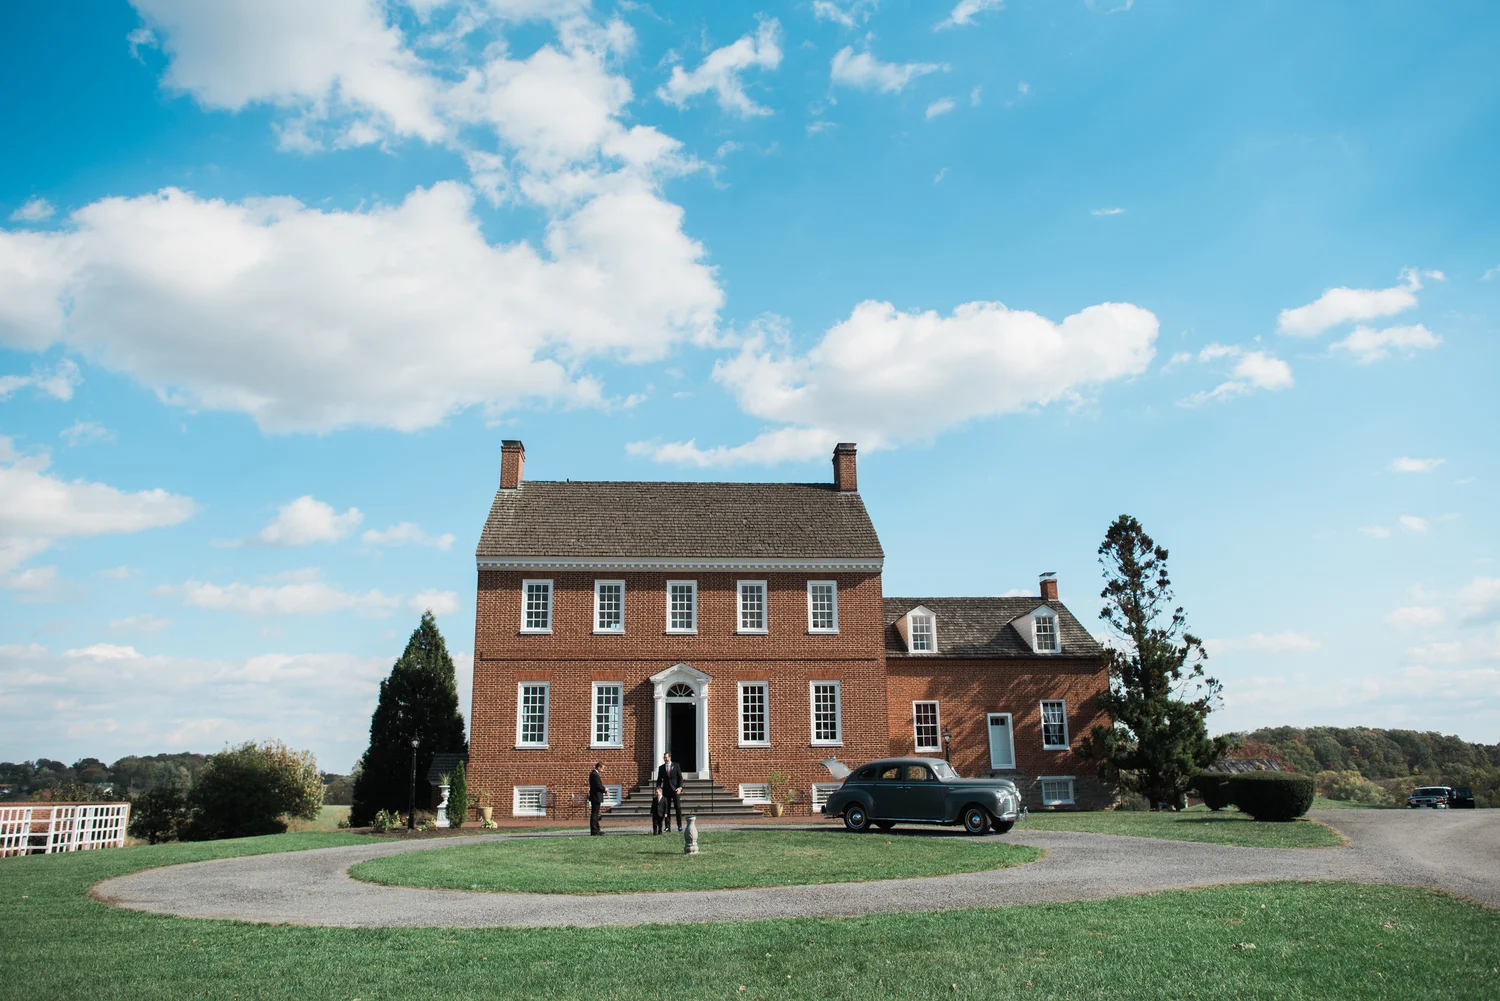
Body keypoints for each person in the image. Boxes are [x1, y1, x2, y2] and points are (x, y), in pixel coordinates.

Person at [655, 751, 683, 831]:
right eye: (665, 758)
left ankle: (679, 826)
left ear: (670, 758)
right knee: (666, 809)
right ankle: (667, 827)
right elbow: (659, 780)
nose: (666, 759)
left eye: (667, 757)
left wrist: (680, 788)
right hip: (666, 791)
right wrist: (658, 790)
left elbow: (680, 778)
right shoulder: (661, 768)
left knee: (678, 808)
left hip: (675, 790)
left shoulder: (676, 766)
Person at [588, 761, 605, 836]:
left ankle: (597, 830)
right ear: (599, 767)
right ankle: (594, 831)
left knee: (595, 814)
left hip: (596, 796)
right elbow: (598, 786)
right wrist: (605, 789)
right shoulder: (594, 775)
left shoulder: (594, 774)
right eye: (602, 769)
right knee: (594, 814)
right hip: (595, 797)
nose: (603, 770)